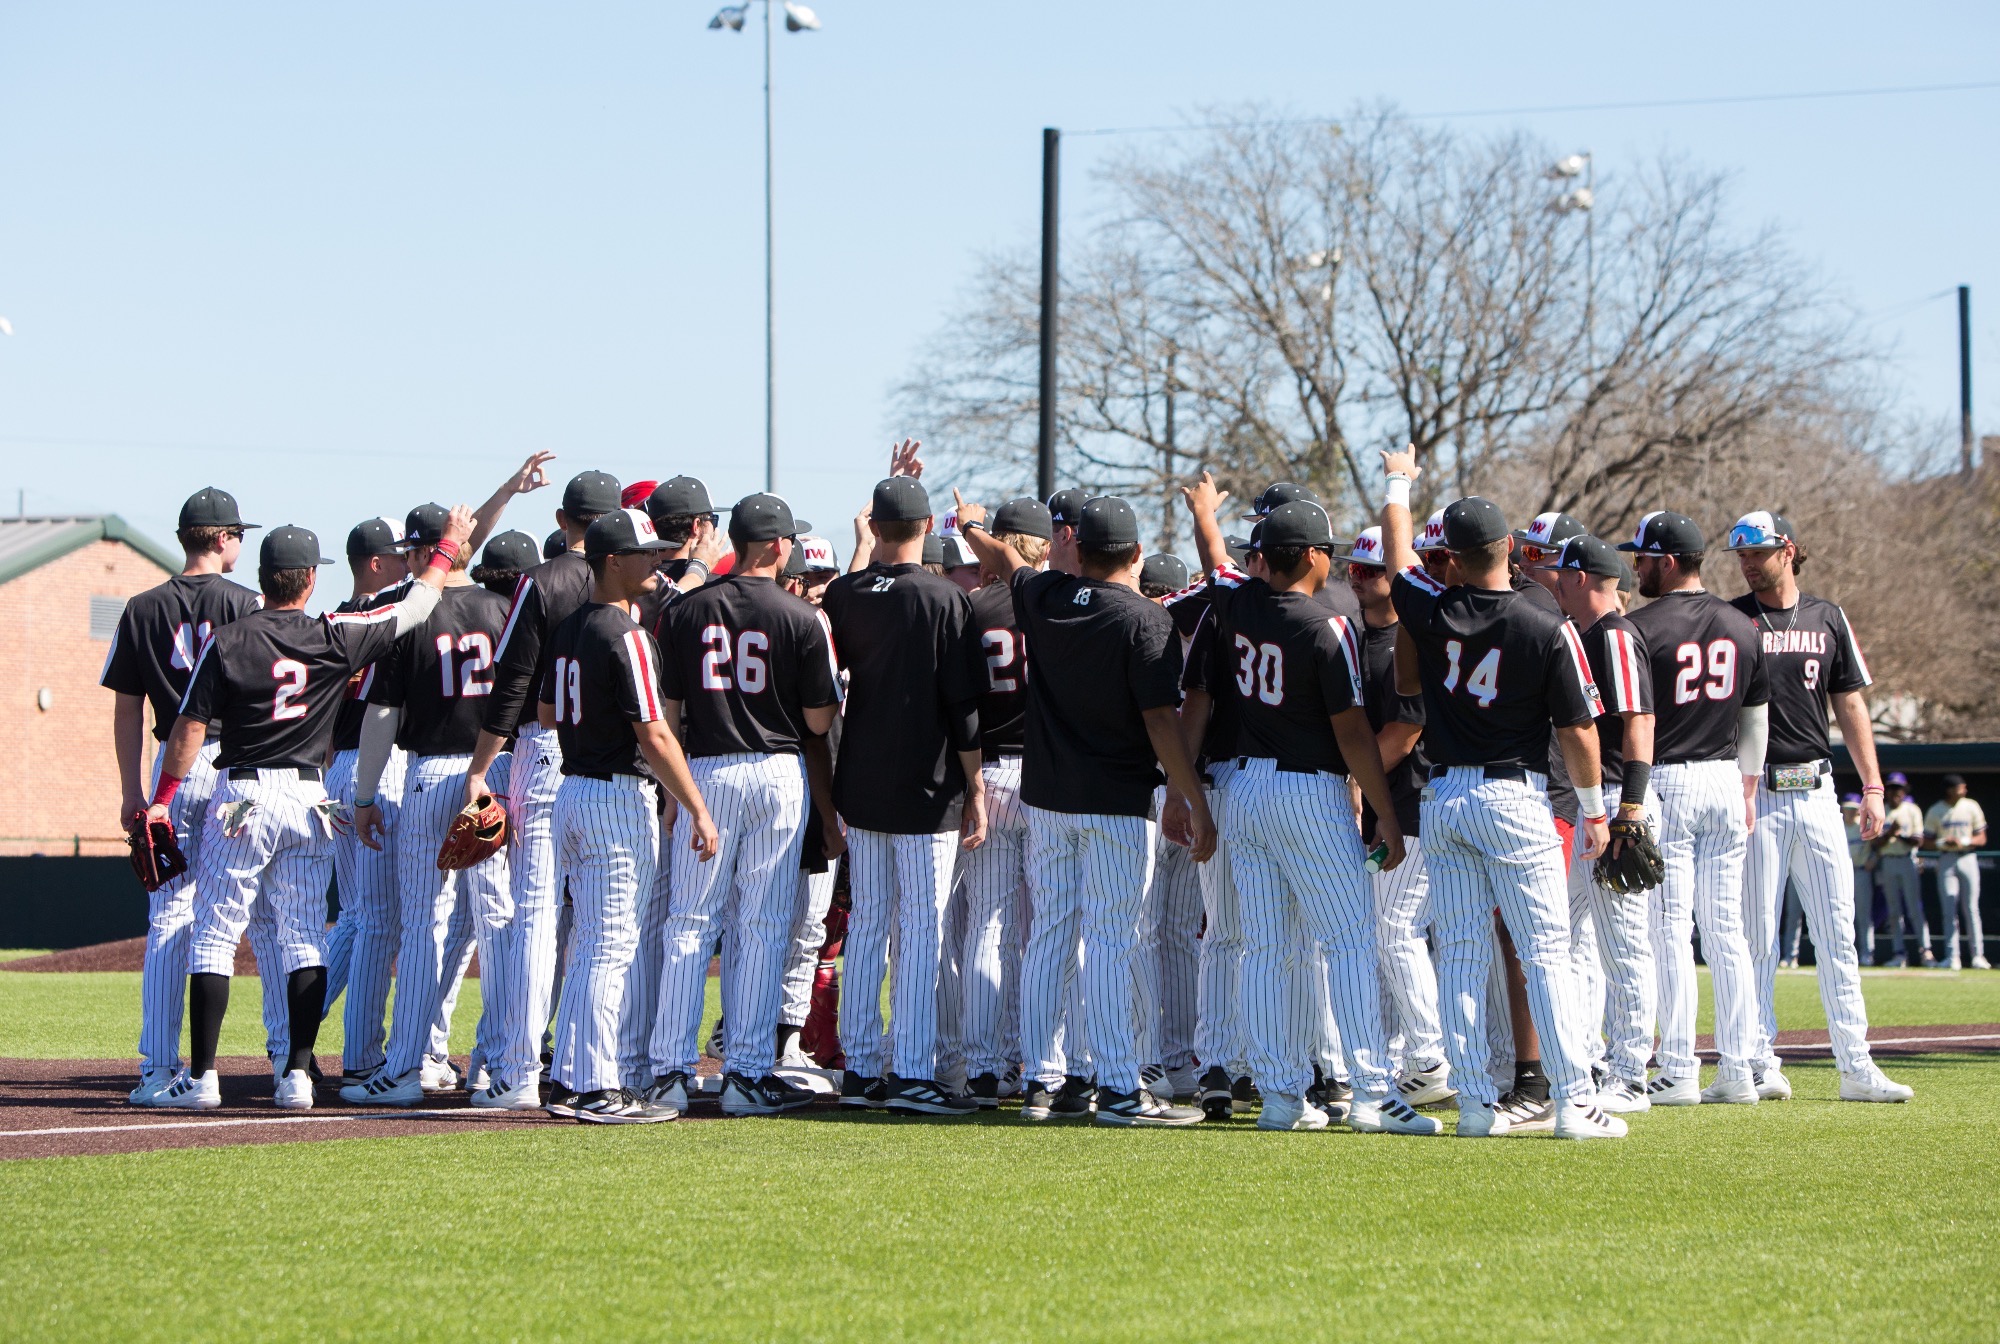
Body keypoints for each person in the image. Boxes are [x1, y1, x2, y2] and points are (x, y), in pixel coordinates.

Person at [145, 510, 475, 1110]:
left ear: (262, 578)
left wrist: (162, 800)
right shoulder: (334, 634)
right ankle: (296, 1075)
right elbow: (418, 604)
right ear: (310, 580)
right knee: (303, 936)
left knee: (216, 934)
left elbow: (190, 728)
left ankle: (203, 1079)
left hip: (243, 795)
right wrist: (449, 544)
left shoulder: (229, 640)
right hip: (308, 798)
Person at [1378, 448, 1621, 1140]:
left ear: (1451, 558)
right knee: (1545, 952)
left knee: (1459, 953)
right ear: (1509, 549)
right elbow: (1578, 730)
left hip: (1445, 797)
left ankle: (1478, 1107)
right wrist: (1596, 811)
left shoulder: (1431, 606)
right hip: (1516, 796)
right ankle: (1574, 1102)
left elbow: (1397, 559)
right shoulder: (1545, 622)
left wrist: (1398, 482)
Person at [1183, 489, 1437, 1135]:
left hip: (1243, 790)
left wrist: (1204, 512)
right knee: (1350, 943)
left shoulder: (1239, 602)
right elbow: (1352, 732)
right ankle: (1373, 1093)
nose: (1335, 561)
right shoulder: (1329, 626)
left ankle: (1280, 1094)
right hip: (1308, 793)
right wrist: (1383, 813)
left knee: (1265, 949)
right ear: (1312, 556)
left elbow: (1214, 560)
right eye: (1329, 550)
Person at [956, 490, 1210, 1127]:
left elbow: (1005, 559)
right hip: (1117, 802)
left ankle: (1047, 1081)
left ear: (1077, 547)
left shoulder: (1044, 596)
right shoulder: (1146, 618)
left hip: (1049, 799)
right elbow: (1160, 721)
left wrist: (971, 526)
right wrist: (1188, 796)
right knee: (1112, 942)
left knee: (1050, 937)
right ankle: (1118, 1086)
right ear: (1136, 552)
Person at [643, 494, 844, 1117]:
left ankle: (669, 1071)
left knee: (689, 922)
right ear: (779, 546)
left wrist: (675, 793)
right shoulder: (800, 615)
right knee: (761, 925)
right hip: (778, 770)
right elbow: (819, 721)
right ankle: (747, 1074)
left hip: (703, 769)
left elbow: (669, 711)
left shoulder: (687, 609)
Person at [104, 487, 289, 1105]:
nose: (239, 543)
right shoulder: (247, 603)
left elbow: (127, 711)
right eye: (237, 534)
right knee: (264, 913)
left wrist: (134, 792)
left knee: (170, 913)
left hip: (172, 770)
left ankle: (159, 1069)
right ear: (221, 538)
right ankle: (287, 1062)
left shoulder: (141, 608)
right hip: (238, 765)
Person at [538, 507, 720, 1123]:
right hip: (614, 796)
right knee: (609, 947)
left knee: (590, 945)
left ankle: (571, 1079)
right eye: (645, 552)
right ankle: (596, 1086)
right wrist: (697, 808)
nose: (657, 560)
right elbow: (656, 732)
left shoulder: (570, 627)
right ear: (612, 560)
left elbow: (546, 714)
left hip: (574, 790)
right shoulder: (626, 633)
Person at [1726, 510, 1912, 1101]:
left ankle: (1856, 1065)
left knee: (1837, 933)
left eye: (1757, 552)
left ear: (1788, 550)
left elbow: (1851, 704)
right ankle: (1760, 1060)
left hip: (1817, 790)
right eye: (1741, 555)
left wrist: (1873, 786)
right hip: (1756, 791)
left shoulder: (1828, 616)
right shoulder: (1731, 618)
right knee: (1757, 936)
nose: (1748, 563)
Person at [821, 476, 990, 1117]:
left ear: (875, 528)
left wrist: (863, 542)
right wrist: (976, 786)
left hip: (861, 777)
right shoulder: (945, 597)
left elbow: (857, 589)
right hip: (929, 780)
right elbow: (963, 706)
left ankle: (862, 1067)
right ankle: (913, 1071)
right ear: (926, 528)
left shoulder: (844, 593)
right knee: (920, 930)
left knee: (868, 925)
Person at [340, 505, 519, 1107]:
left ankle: (404, 1068)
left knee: (422, 926)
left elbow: (381, 714)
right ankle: (501, 1065)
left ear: (425, 551)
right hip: (492, 774)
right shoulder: (503, 609)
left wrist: (366, 795)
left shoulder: (409, 612)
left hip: (429, 774)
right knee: (498, 922)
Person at [467, 469, 623, 1101]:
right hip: (617, 758)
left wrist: (481, 767)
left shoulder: (541, 580)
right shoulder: (635, 580)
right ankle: (605, 1066)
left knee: (535, 913)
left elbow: (511, 683)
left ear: (563, 520)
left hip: (545, 747)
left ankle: (519, 1069)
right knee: (604, 924)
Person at [1620, 511, 1768, 1106]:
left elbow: (1637, 721)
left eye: (1642, 557)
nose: (1637, 567)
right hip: (1727, 777)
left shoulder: (1641, 626)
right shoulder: (1742, 623)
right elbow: (1755, 718)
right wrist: (1748, 789)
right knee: (1727, 931)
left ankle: (1679, 1067)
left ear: (1668, 560)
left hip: (1670, 780)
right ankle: (1739, 1067)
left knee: (1670, 931)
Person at [1539, 534, 1660, 1113]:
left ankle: (1631, 1072)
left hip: (1614, 798)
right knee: (1560, 936)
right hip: (1587, 801)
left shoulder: (1613, 633)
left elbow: (1640, 721)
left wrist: (1631, 809)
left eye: (1561, 574)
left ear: (1582, 577)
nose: (1554, 583)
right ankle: (1582, 1058)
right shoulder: (1578, 632)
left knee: (1624, 944)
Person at [1341, 525, 1450, 1108]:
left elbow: (1405, 732)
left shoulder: (1413, 636)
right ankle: (1400, 1053)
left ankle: (1430, 1057)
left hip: (1411, 804)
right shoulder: (1354, 638)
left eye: (1370, 570)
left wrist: (1349, 778)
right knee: (1379, 931)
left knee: (1395, 928)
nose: (1357, 578)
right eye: (1353, 569)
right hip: (1377, 806)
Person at [957, 498, 1053, 1106]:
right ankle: (1045, 1063)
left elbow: (959, 704)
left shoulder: (972, 606)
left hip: (988, 772)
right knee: (1047, 926)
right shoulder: (1058, 600)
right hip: (1047, 779)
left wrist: (969, 785)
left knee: (987, 923)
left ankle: (986, 1066)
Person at [319, 516, 416, 1087]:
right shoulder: (391, 612)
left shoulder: (332, 623)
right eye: (400, 556)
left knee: (357, 916)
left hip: (337, 769)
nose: (409, 563)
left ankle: (296, 1029)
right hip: (375, 768)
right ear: (376, 564)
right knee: (378, 919)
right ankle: (356, 1052)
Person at [1925, 774, 1989, 970]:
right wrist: (1944, 842)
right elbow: (1926, 841)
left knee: (1971, 908)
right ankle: (1952, 957)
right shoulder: (1936, 810)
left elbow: (1982, 838)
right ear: (1950, 790)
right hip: (1946, 858)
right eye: (1961, 787)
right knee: (1949, 909)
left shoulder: (1971, 806)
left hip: (1967, 857)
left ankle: (1978, 956)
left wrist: (1963, 841)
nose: (1964, 790)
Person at [1874, 773, 1930, 967]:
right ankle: (1899, 953)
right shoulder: (1882, 810)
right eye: (1891, 789)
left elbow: (1917, 840)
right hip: (1888, 860)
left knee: (1914, 908)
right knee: (1893, 910)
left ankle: (1926, 951)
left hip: (1907, 860)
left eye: (1898, 789)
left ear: (1904, 791)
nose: (1895, 792)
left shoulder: (1911, 810)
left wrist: (1897, 835)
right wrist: (1890, 833)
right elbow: (1875, 843)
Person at [1843, 795, 1880, 965]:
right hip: (1842, 874)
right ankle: (1845, 953)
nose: (1850, 812)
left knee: (1863, 914)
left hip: (1860, 871)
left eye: (1853, 809)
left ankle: (1867, 953)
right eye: (1847, 809)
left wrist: (1874, 859)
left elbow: (1878, 846)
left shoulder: (1864, 826)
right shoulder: (1837, 826)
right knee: (1842, 915)